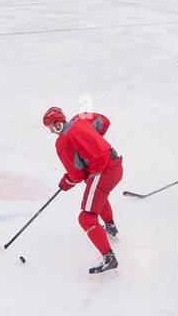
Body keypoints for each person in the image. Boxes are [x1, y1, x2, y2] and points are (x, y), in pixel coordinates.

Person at [43, 106, 122, 275]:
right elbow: (104, 121)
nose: (51, 132)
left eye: (51, 128)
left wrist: (66, 182)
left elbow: (76, 175)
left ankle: (109, 258)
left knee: (86, 218)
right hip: (116, 165)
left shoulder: (62, 142)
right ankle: (110, 225)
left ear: (58, 124)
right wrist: (92, 144)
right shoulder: (81, 118)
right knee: (97, 195)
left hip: (103, 172)